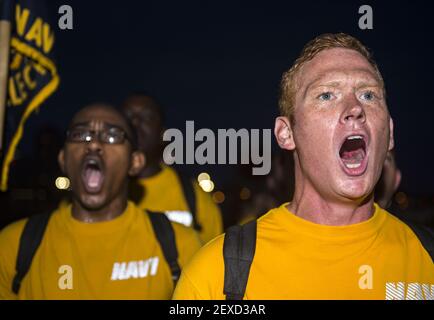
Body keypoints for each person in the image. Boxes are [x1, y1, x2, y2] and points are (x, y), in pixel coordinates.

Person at [173, 33, 434, 300]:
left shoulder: (427, 258)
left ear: (389, 132)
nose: (355, 108)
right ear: (286, 134)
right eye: (326, 95)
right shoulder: (218, 274)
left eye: (368, 94)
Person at [0, 103, 201, 299]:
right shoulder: (13, 246)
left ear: (135, 162)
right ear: (63, 159)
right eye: (80, 135)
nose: (94, 144)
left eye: (112, 135)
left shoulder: (181, 246)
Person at [122, 94, 223, 244]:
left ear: (163, 134)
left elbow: (214, 255)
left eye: (147, 117)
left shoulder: (193, 195)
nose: (135, 122)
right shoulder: (104, 192)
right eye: (128, 117)